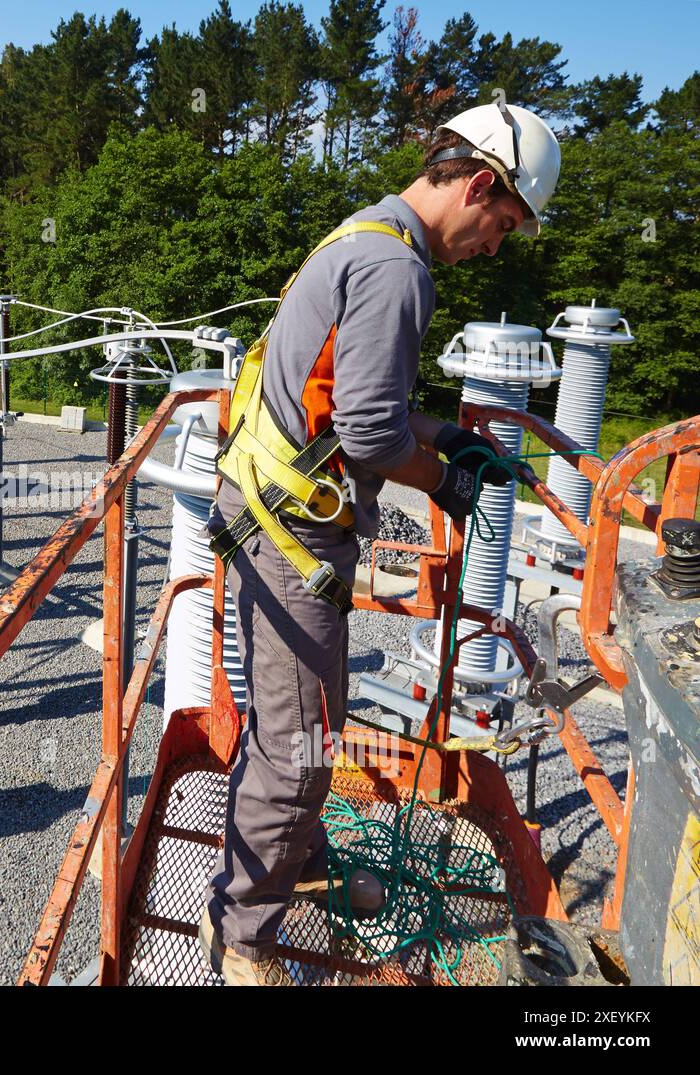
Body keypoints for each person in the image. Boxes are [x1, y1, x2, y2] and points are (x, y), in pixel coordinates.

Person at [199, 101, 561, 986]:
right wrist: (445, 479)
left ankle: (302, 863)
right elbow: (364, 435)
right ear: (479, 184)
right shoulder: (401, 273)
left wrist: (442, 433)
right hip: (291, 540)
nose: (495, 245)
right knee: (298, 750)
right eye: (503, 222)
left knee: (296, 727)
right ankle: (239, 933)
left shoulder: (362, 233)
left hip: (263, 514)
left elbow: (358, 403)